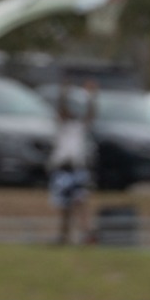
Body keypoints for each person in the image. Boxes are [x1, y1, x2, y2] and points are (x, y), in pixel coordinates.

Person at [48, 80, 97, 245]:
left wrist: (91, 97)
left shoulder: (79, 128)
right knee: (64, 206)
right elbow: (61, 111)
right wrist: (63, 94)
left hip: (77, 168)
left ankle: (86, 234)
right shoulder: (62, 127)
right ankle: (64, 236)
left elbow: (90, 115)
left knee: (80, 202)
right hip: (62, 169)